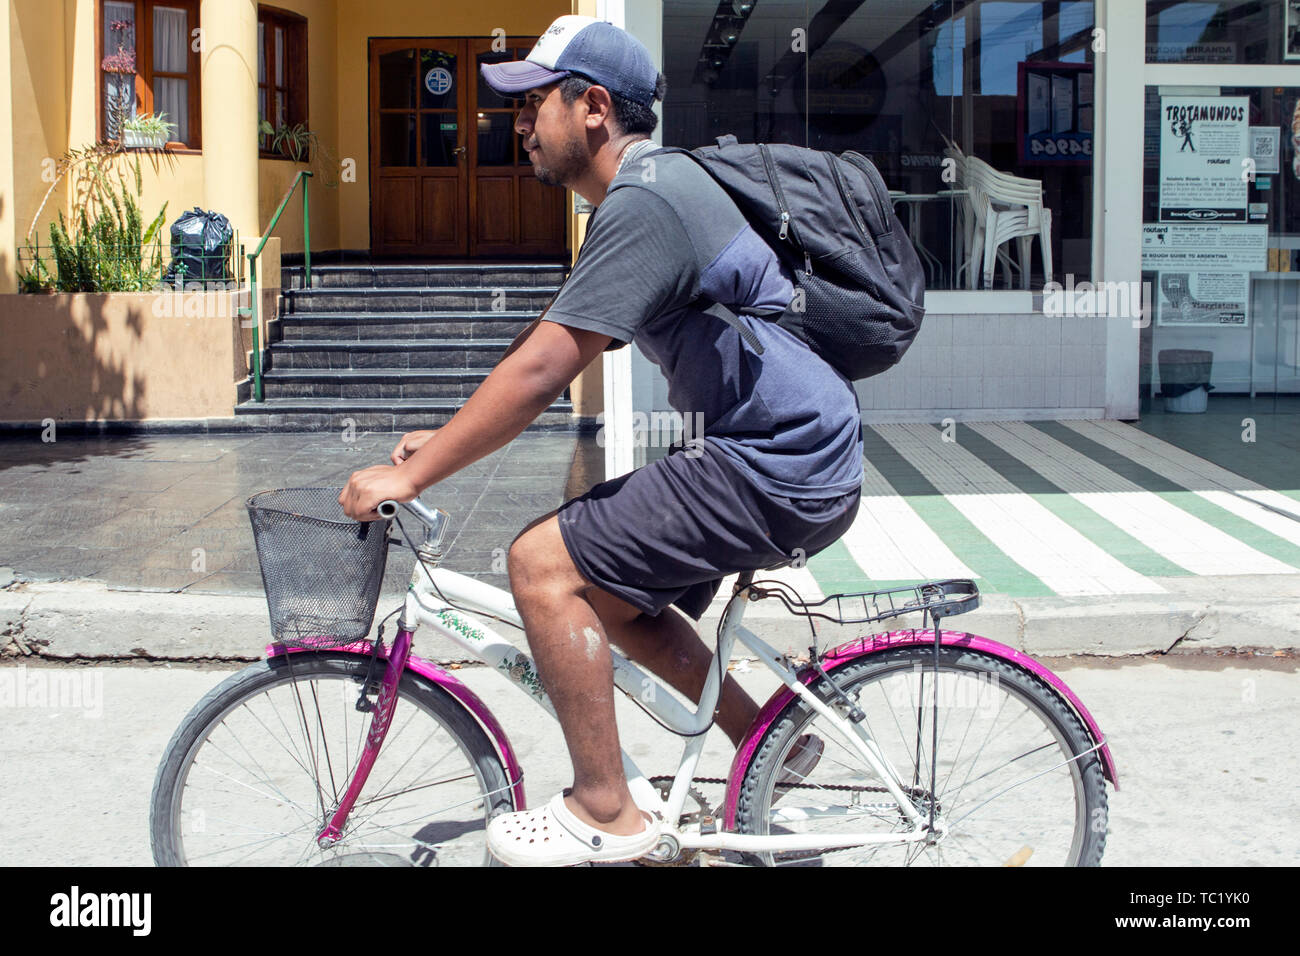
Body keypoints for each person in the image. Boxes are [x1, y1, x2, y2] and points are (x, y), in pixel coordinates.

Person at [338, 14, 864, 866]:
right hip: (785, 453)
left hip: (779, 460)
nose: (517, 124)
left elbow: (545, 373)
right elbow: (550, 342)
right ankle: (773, 741)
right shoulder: (644, 194)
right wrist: (443, 436)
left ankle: (604, 807)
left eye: (532, 102)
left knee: (543, 566)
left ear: (591, 108)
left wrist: (419, 474)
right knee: (611, 600)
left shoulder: (646, 201)